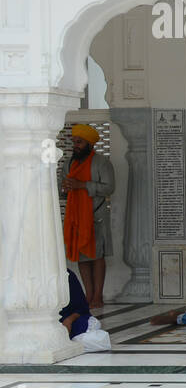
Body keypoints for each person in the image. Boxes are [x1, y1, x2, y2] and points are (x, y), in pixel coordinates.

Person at [58, 124, 115, 309]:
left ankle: (98, 296)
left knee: (97, 256)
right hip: (76, 216)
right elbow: (63, 190)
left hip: (96, 215)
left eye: (79, 142)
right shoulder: (68, 163)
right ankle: (88, 295)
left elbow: (109, 188)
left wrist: (81, 185)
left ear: (89, 143)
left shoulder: (102, 163)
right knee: (82, 256)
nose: (76, 145)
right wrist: (66, 188)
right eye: (74, 141)